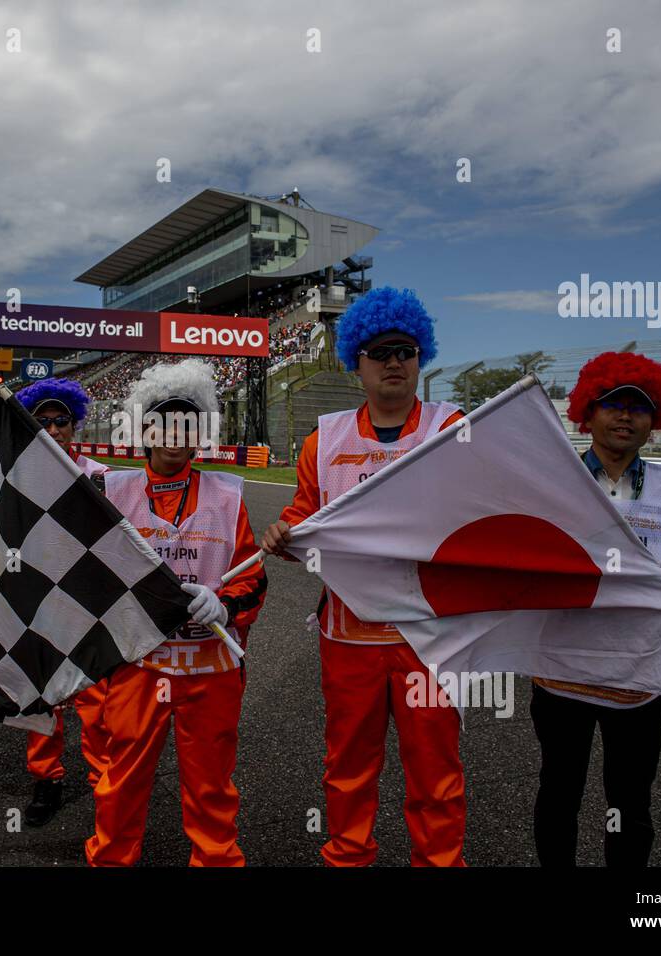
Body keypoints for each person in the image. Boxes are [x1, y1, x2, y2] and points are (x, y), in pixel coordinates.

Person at [262, 286, 467, 867]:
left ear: (421, 355)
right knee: (349, 763)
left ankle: (441, 863)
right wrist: (282, 531)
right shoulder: (322, 440)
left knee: (435, 768)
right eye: (380, 352)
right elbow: (305, 513)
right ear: (357, 363)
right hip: (349, 636)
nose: (394, 361)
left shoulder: (452, 428)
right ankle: (347, 857)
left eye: (405, 349)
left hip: (429, 636)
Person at [531, 351, 661, 867]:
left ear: (654, 418)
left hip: (640, 676)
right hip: (561, 673)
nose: (624, 415)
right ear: (586, 413)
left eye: (639, 407)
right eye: (610, 403)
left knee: (631, 803)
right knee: (559, 795)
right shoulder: (553, 482)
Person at [86, 359, 267, 866]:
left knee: (211, 784)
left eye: (188, 426)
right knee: (121, 776)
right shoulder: (110, 491)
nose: (175, 435)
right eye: (164, 423)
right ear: (145, 428)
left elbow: (252, 577)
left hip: (211, 670)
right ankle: (111, 860)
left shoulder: (228, 495)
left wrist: (225, 607)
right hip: (138, 666)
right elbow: (86, 575)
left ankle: (216, 860)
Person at [13, 378, 112, 826]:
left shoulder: (98, 474)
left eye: (62, 421)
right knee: (42, 699)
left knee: (95, 699)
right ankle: (45, 780)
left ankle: (104, 782)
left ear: (75, 425)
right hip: (34, 601)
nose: (53, 429)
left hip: (87, 604)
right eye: (43, 421)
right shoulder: (13, 476)